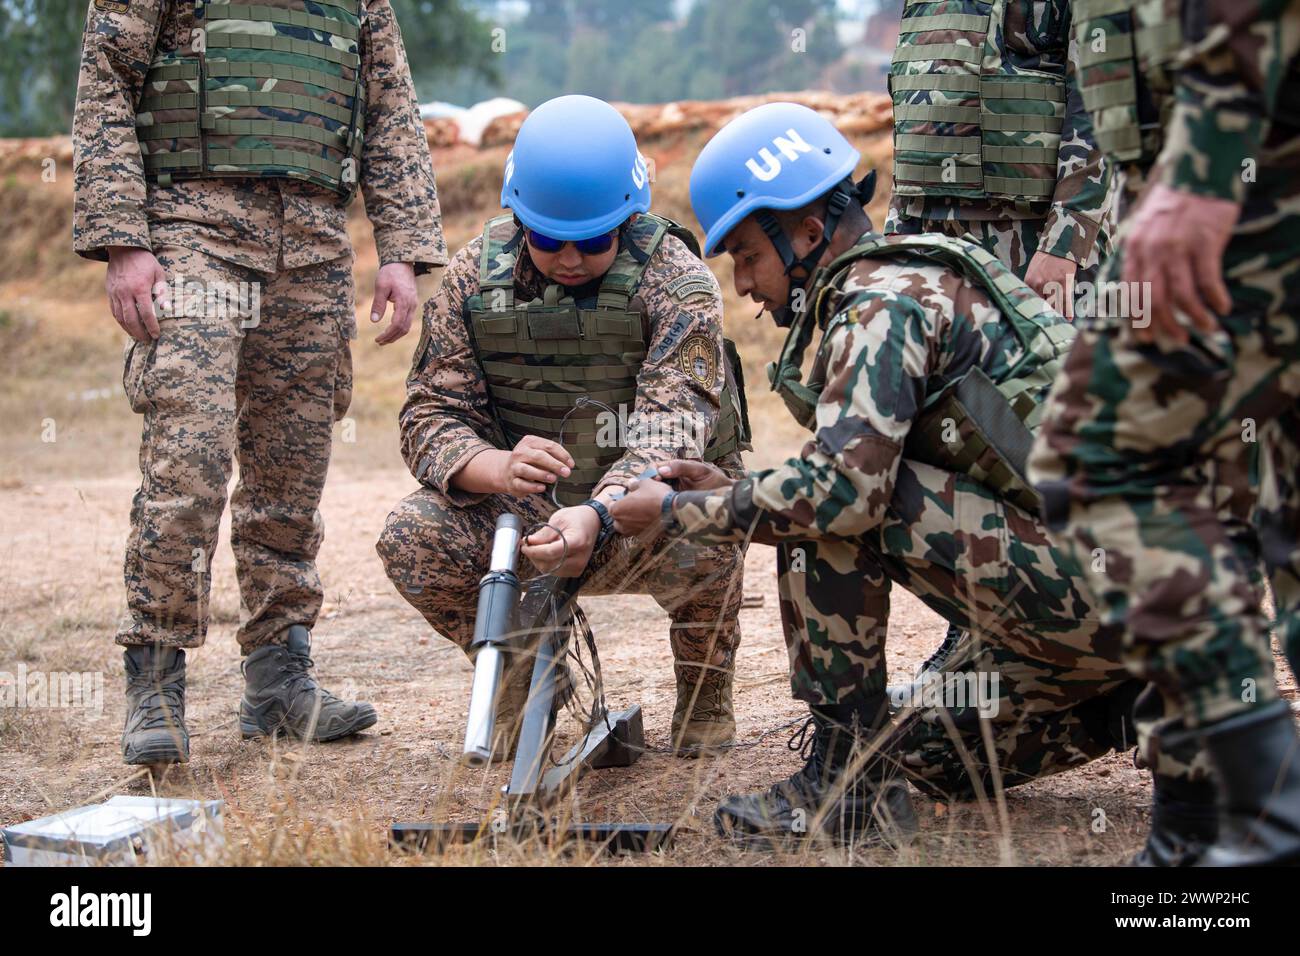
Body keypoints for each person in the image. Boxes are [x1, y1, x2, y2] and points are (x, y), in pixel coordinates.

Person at [612, 102, 1145, 847]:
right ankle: (1136, 703)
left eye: (746, 254)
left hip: (1104, 584)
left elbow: (842, 496)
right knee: (917, 758)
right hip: (1124, 599)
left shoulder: (878, 304)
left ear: (804, 230)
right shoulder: (905, 276)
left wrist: (671, 514)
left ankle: (842, 788)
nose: (743, 285)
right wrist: (724, 491)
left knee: (823, 506)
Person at [72, 0, 447, 764]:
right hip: (191, 229)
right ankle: (155, 676)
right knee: (191, 456)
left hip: (312, 240)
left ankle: (279, 677)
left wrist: (402, 248)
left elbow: (390, 108)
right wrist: (121, 238)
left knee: (293, 470)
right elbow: (106, 74)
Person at [375, 95, 751, 758]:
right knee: (412, 536)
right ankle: (529, 681)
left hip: (639, 514)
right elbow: (430, 411)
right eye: (548, 239)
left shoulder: (677, 282)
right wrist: (492, 467)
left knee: (711, 518)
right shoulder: (472, 279)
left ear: (629, 218)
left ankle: (705, 695)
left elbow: (669, 433)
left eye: (595, 240)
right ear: (519, 217)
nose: (570, 258)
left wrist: (600, 515)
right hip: (529, 515)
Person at [1029, 0, 1300, 866]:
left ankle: (1269, 817)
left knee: (1096, 454)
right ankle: (1226, 821)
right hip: (1196, 225)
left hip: (1252, 193)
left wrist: (1207, 167)